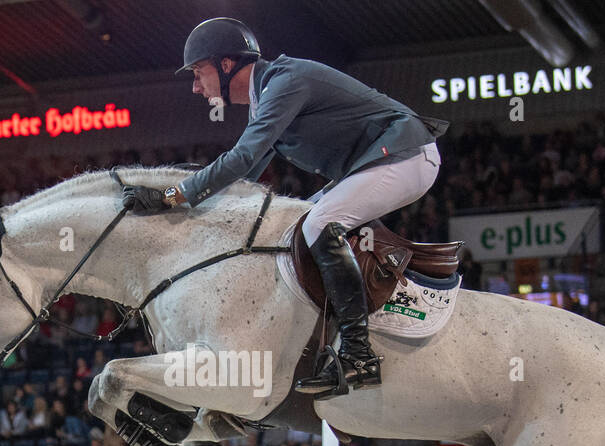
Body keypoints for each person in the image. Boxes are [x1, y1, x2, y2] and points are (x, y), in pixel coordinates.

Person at [122, 17, 446, 399]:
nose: (195, 86)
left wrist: (171, 195)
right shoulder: (265, 96)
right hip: (378, 161)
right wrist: (178, 209)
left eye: (197, 72)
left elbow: (242, 159)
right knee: (294, 228)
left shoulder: (285, 81)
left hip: (407, 155)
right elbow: (246, 180)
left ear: (227, 64)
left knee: (320, 225)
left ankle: (359, 356)